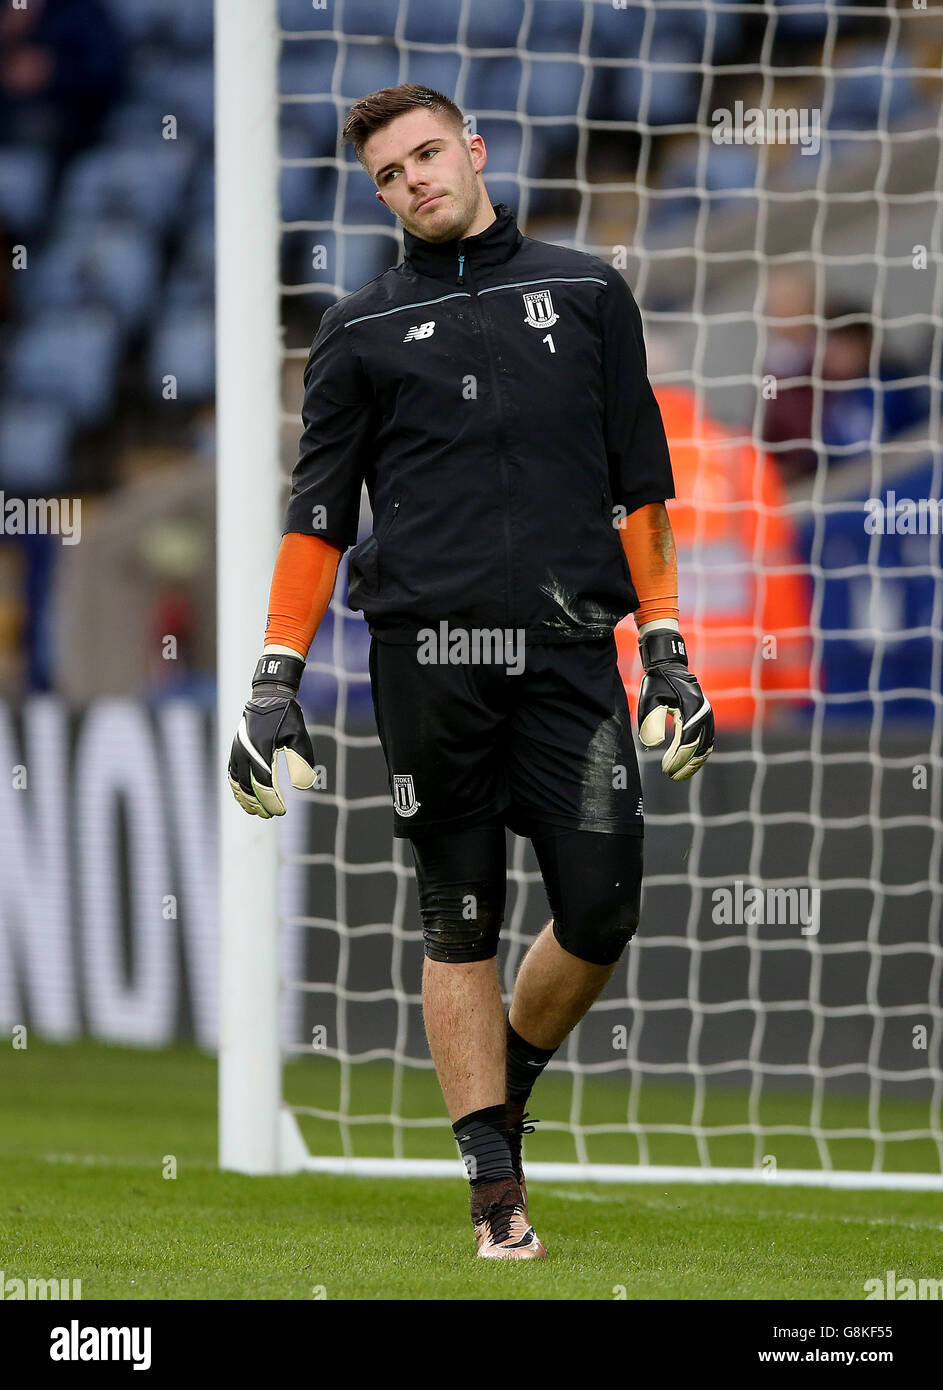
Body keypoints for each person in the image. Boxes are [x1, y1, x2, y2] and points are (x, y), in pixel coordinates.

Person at [227, 85, 714, 1260]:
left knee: (600, 909)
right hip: (426, 659)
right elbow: (314, 520)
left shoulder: (590, 292)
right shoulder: (356, 330)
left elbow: (638, 489)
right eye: (389, 175)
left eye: (427, 155)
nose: (413, 182)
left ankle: (499, 1086)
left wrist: (665, 648)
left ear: (474, 148)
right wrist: (272, 676)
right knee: (460, 920)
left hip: (567, 653)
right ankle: (496, 1193)